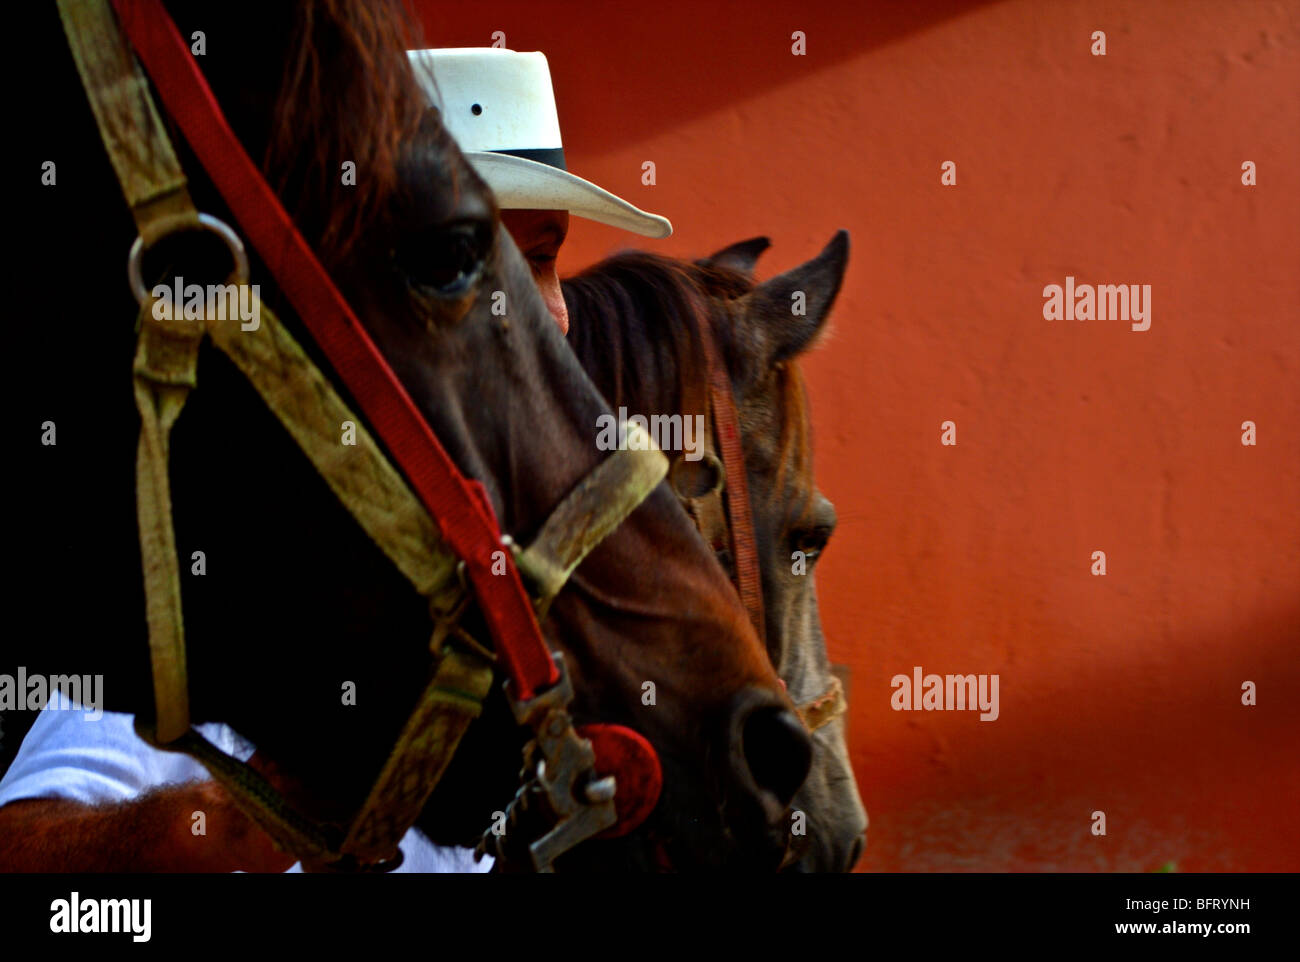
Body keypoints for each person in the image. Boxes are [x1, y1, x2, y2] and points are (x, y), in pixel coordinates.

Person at [0, 47, 672, 873]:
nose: (561, 317)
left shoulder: (526, 601)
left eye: (553, 255)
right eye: (516, 261)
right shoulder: (216, 552)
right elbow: (19, 848)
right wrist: (225, 822)